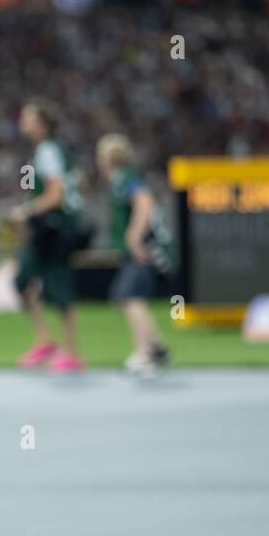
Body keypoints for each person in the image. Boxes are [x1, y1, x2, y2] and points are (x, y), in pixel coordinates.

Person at [13, 97, 89, 373]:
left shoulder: (47, 150)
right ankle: (46, 341)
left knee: (59, 286)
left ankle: (72, 352)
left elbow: (56, 194)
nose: (22, 122)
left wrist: (26, 211)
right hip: (52, 226)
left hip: (56, 227)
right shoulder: (55, 150)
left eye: (28, 117)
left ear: (42, 123)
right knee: (24, 280)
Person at [96, 133, 173, 377]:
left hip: (142, 247)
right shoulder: (121, 180)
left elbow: (145, 202)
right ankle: (156, 346)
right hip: (139, 248)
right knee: (127, 297)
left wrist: (134, 236)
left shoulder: (125, 179)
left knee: (129, 297)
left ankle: (145, 353)